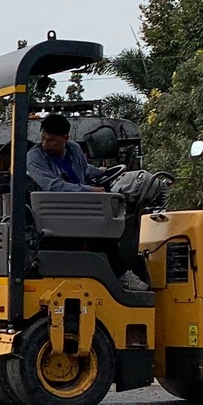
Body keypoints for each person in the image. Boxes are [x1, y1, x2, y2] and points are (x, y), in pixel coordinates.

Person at [23, 114, 149, 294]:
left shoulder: (73, 150)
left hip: (83, 211)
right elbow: (52, 185)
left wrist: (101, 172)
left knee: (111, 227)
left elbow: (84, 170)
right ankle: (122, 275)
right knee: (105, 235)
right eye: (43, 139)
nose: (45, 144)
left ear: (65, 138)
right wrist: (88, 191)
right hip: (56, 216)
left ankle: (120, 275)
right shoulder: (35, 157)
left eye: (51, 140)